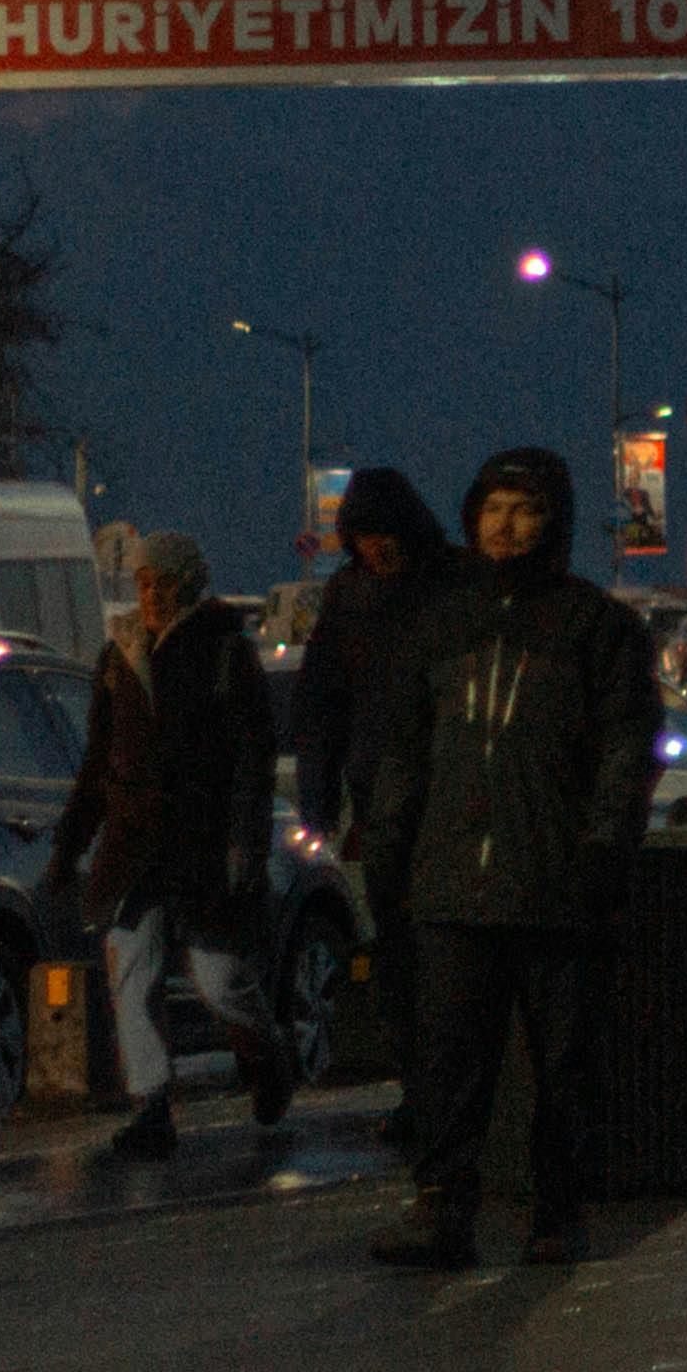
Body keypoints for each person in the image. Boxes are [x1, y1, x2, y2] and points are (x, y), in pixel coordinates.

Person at [363, 446, 663, 1269]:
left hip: (557, 881)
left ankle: (558, 1212)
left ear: (553, 521)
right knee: (448, 1061)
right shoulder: (441, 625)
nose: (505, 524)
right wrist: (390, 844)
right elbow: (403, 750)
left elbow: (625, 749)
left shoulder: (596, 629)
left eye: (523, 509)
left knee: (563, 1065)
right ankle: (441, 1207)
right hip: (454, 883)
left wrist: (605, 844)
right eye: (493, 507)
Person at [49, 532, 288, 1160]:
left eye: (159, 582)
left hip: (199, 845)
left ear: (186, 583)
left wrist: (246, 845)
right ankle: (151, 1104)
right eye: (142, 582)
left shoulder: (223, 654)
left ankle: (267, 1055)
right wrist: (71, 843)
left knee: (219, 977)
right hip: (133, 845)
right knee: (133, 971)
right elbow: (99, 761)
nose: (148, 594)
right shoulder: (120, 656)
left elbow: (253, 761)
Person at [290, 466, 452, 1132]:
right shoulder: (349, 596)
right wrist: (318, 793)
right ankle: (420, 1090)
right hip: (381, 791)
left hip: (446, 790)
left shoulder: (444, 585)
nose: (375, 550)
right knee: (401, 951)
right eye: (363, 538)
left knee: (444, 950)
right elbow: (321, 700)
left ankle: (445, 1092)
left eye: (383, 536)